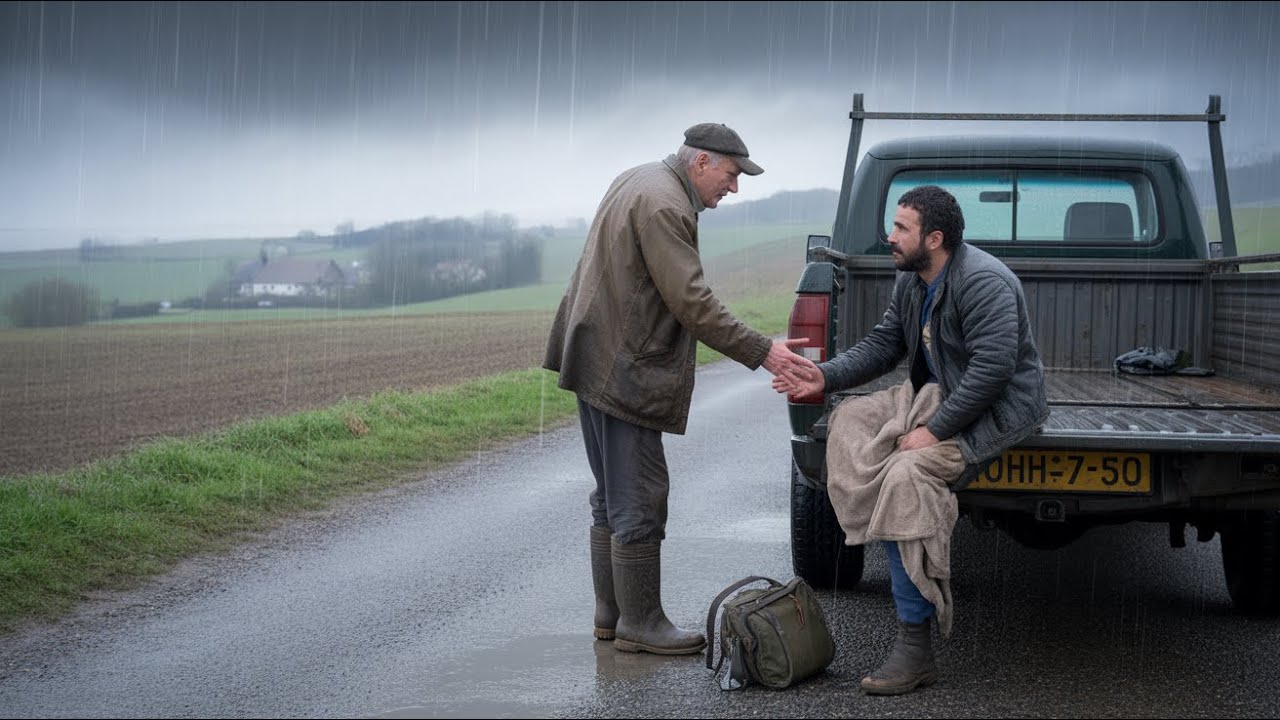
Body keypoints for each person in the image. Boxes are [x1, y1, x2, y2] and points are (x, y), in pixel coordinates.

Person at [544, 123, 809, 655]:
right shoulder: (667, 204)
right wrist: (765, 351)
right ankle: (641, 623)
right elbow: (692, 302)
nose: (733, 188)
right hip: (625, 365)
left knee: (611, 496)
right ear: (702, 163)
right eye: (732, 175)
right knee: (638, 496)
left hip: (595, 352)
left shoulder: (639, 178)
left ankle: (612, 614)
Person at [773, 184, 1049, 694]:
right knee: (847, 422)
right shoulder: (914, 279)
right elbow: (885, 344)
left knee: (906, 476)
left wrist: (933, 432)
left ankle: (915, 647)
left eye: (901, 228)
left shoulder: (983, 282)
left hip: (995, 410)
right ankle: (874, 520)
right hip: (938, 393)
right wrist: (825, 378)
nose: (889, 237)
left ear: (935, 238)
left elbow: (992, 372)